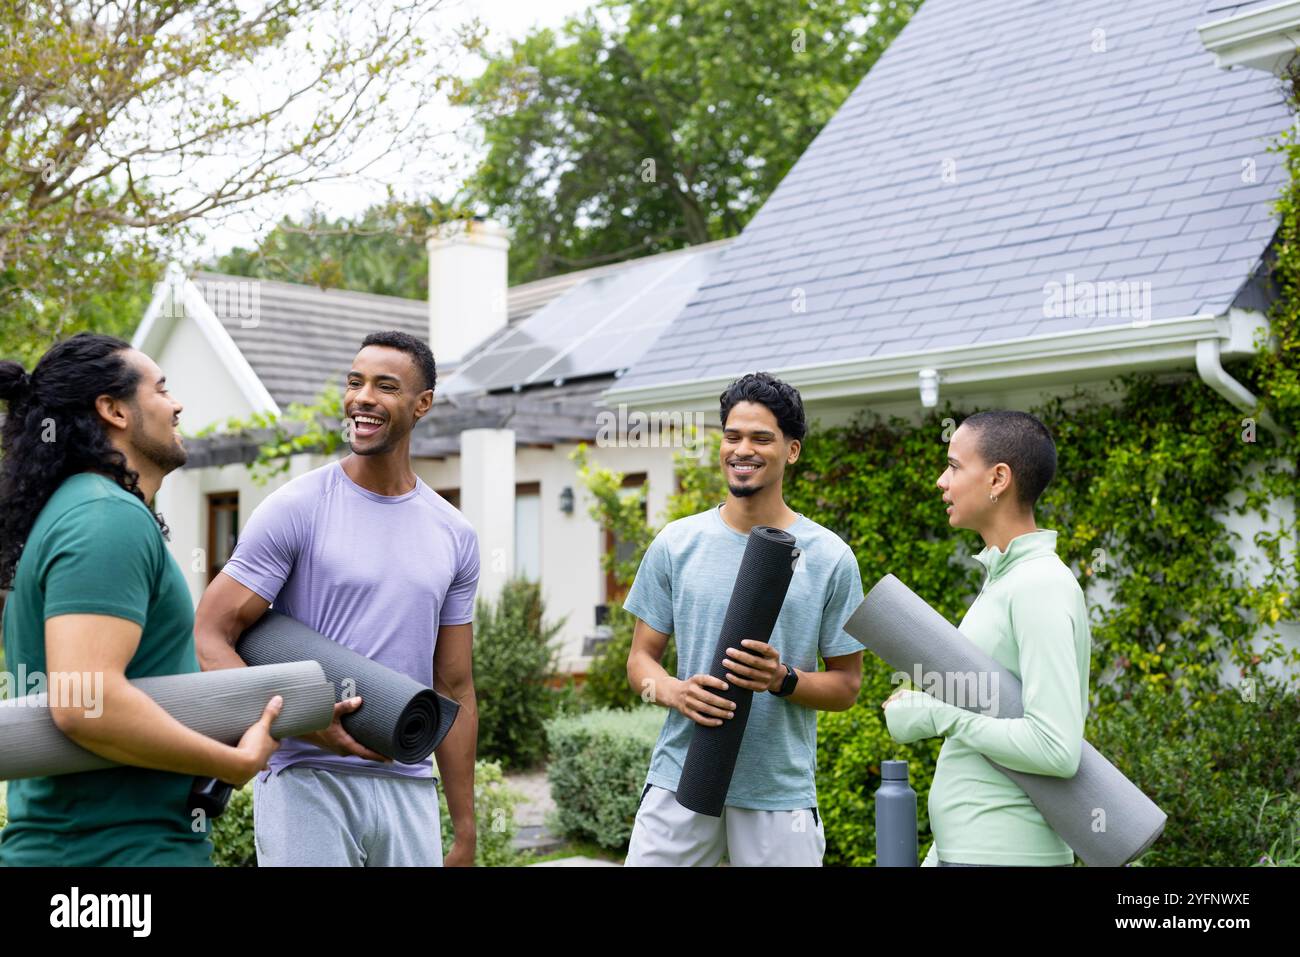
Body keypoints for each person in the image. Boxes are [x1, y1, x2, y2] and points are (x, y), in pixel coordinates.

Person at [194, 330, 480, 867]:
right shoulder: (296, 507)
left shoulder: (455, 533)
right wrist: (292, 719)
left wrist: (464, 828)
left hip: (409, 781)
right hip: (308, 778)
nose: (362, 397)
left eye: (385, 386)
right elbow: (212, 632)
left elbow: (455, 685)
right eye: (355, 382)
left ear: (422, 405)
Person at [0, 333, 281, 867]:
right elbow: (86, 701)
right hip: (107, 862)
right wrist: (232, 762)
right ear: (113, 410)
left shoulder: (86, 510)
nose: (177, 405)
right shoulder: (104, 518)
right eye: (162, 388)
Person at [623, 371, 865, 866]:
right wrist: (674, 690)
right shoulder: (676, 543)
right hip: (680, 778)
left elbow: (847, 687)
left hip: (779, 795)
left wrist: (783, 679)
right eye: (732, 436)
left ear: (792, 451)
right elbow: (640, 662)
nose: (742, 449)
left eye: (761, 438)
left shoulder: (830, 557)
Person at [883, 410, 1088, 867]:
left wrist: (937, 712)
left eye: (954, 467)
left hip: (1006, 855)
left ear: (998, 479)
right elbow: (988, 720)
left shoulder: (1040, 585)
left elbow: (1055, 749)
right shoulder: (1004, 580)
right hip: (967, 853)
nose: (942, 481)